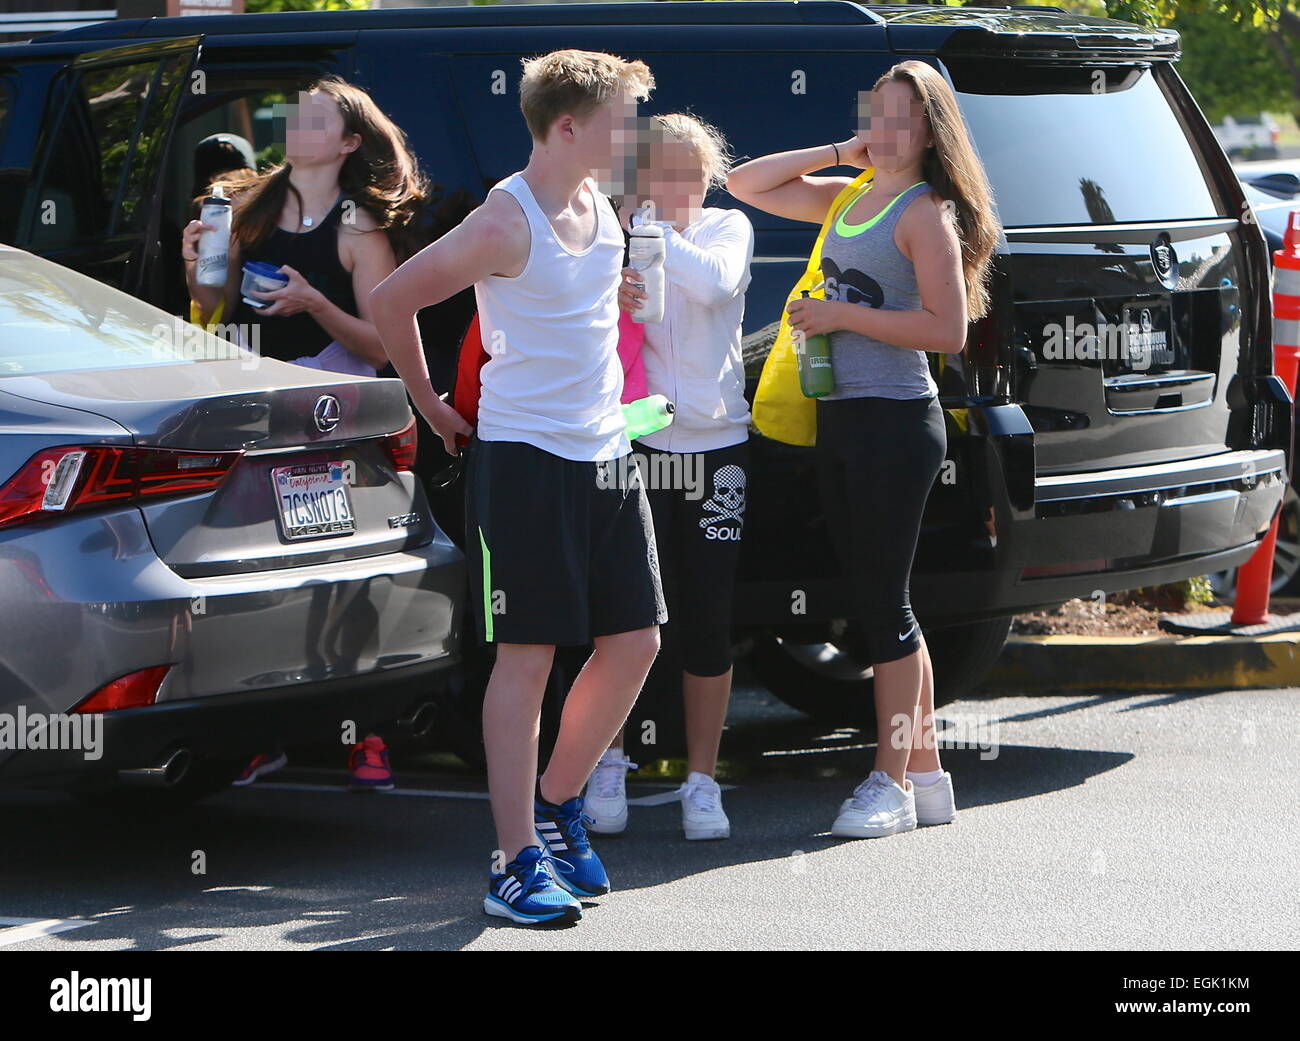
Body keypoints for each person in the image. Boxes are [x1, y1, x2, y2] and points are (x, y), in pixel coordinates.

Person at [371, 50, 663, 925]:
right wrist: (428, 406)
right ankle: (513, 862)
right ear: (567, 126)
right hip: (523, 461)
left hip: (607, 453)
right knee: (527, 659)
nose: (632, 136)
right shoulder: (506, 218)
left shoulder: (602, 211)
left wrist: (617, 290)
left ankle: (558, 801)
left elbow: (576, 311)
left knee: (637, 642)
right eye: (620, 119)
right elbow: (393, 299)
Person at [727, 60, 998, 838]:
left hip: (895, 422)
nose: (886, 130)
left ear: (931, 131)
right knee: (880, 604)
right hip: (843, 420)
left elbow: (946, 331)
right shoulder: (854, 194)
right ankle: (929, 774)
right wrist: (844, 148)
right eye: (877, 113)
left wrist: (843, 318)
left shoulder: (924, 213)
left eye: (902, 118)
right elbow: (745, 183)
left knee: (884, 608)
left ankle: (889, 780)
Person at [181, 75, 430, 791]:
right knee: (255, 580)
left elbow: (381, 347)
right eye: (294, 114)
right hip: (252, 419)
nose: (296, 124)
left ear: (350, 141)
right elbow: (208, 305)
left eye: (315, 118)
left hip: (333, 429)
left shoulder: (357, 225)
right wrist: (197, 261)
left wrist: (313, 300)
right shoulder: (241, 206)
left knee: (347, 582)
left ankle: (367, 733)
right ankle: (264, 734)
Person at [582, 113, 754, 841]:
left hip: (719, 446)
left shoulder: (725, 230)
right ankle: (610, 761)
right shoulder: (615, 236)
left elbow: (715, 287)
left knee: (707, 616)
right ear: (641, 174)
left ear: (710, 175)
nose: (676, 184)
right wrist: (613, 273)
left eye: (690, 171)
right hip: (641, 441)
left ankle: (703, 780)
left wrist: (651, 233)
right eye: (660, 170)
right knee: (625, 610)